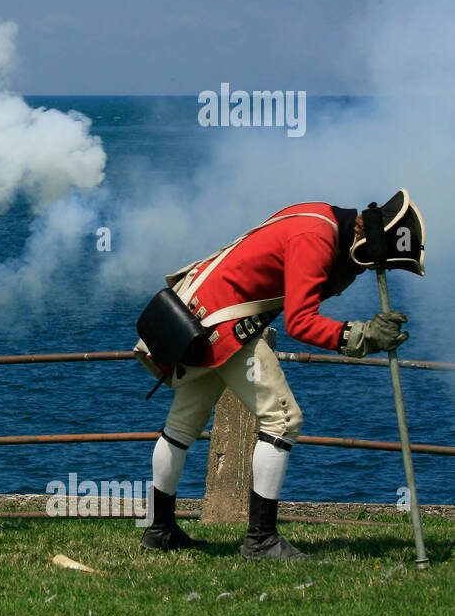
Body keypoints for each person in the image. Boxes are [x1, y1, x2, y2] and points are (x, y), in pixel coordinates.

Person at [136, 191, 424, 559]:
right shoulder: (316, 240)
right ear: (362, 239)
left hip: (200, 316)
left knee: (181, 425)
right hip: (228, 325)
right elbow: (302, 322)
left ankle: (159, 530)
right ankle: (261, 540)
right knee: (283, 421)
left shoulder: (320, 216)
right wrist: (364, 335)